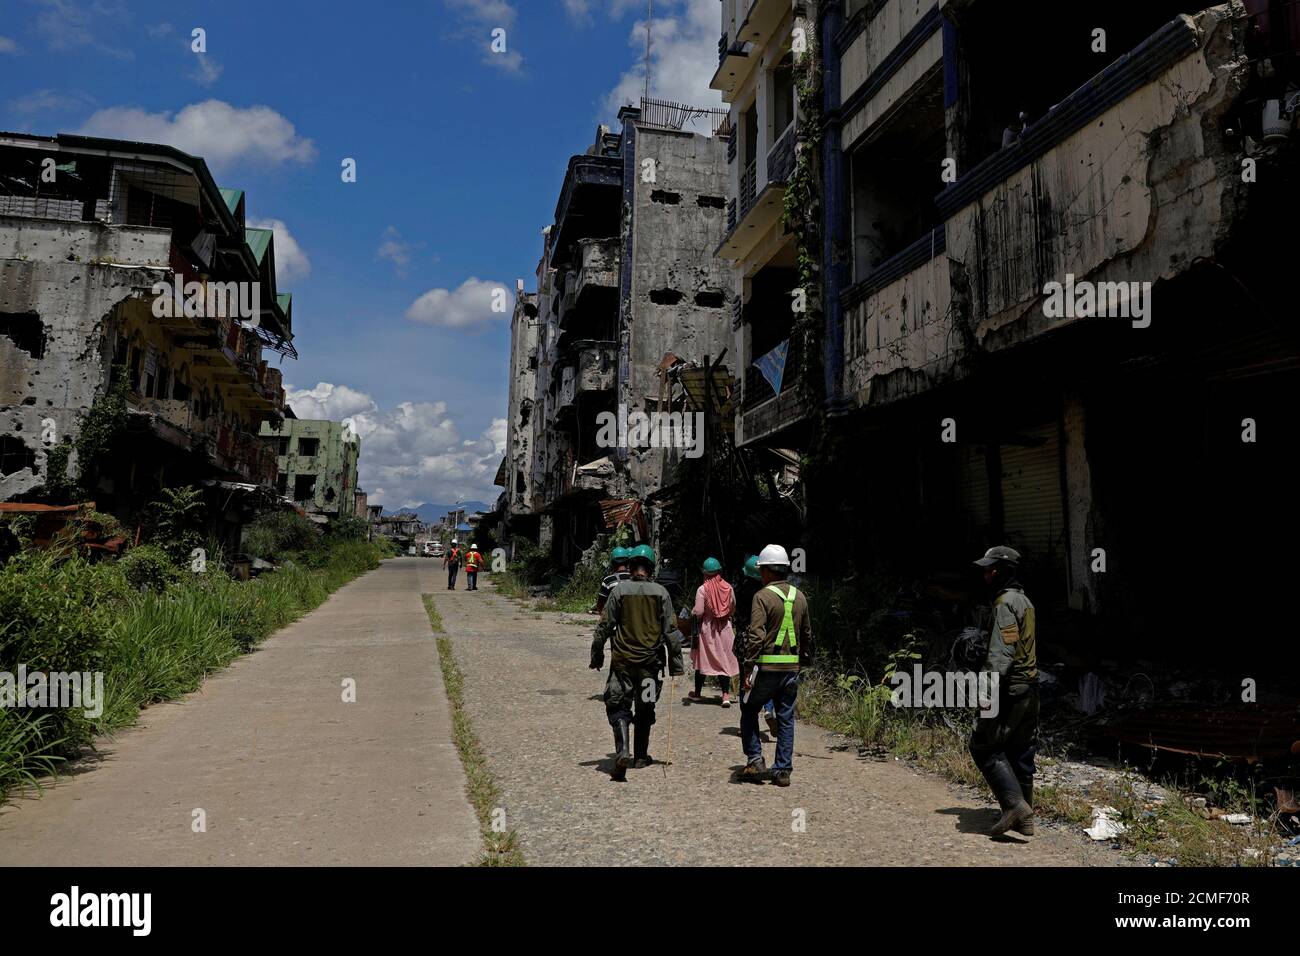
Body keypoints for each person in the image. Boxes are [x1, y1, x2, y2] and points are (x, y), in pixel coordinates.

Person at [589, 544, 684, 781]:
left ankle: (623, 750)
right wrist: (676, 665)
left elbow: (604, 626)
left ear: (631, 567)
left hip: (622, 664)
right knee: (646, 706)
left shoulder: (619, 592)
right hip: (651, 666)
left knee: (618, 705)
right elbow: (670, 631)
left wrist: (597, 654)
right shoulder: (661, 593)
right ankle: (641, 756)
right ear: (651, 568)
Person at [969, 545, 1039, 836]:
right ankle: (1025, 819)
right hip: (1030, 687)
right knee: (1020, 751)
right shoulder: (1025, 600)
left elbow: (1001, 653)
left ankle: (1014, 807)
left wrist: (984, 694)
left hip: (1011, 688)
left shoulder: (1004, 604)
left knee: (983, 745)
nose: (986, 575)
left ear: (1003, 572)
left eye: (991, 569)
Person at [739, 544, 811, 787]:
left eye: (762, 570)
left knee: (749, 709)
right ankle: (782, 771)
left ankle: (755, 761)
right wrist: (802, 661)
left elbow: (756, 635)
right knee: (786, 718)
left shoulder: (762, 596)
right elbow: (806, 635)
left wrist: (748, 668)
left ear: (769, 571)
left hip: (765, 668)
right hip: (791, 669)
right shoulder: (799, 596)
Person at [733, 555, 777, 736]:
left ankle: (748, 725)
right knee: (766, 677)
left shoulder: (739, 591)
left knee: (747, 682)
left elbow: (735, 615)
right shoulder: (768, 595)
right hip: (767, 641)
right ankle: (769, 707)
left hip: (745, 642)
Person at [688, 557, 739, 706]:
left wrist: (693, 614)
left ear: (705, 573)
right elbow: (733, 608)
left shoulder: (702, 589)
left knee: (702, 660)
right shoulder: (728, 587)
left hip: (708, 629)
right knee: (724, 661)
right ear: (718, 572)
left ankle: (697, 693)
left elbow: (698, 611)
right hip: (725, 628)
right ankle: (725, 695)